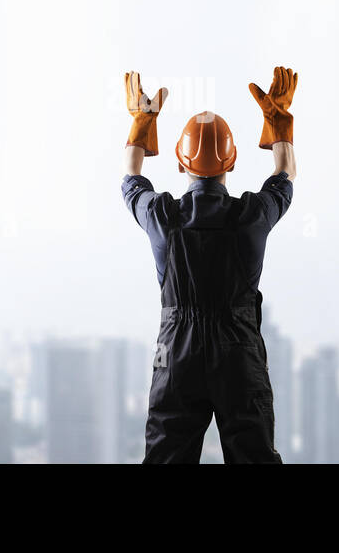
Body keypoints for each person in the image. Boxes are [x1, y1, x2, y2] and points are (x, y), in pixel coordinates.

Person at [120, 67, 298, 463]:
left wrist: (142, 122)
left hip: (175, 349)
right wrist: (279, 123)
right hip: (237, 350)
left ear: (181, 164)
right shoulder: (252, 216)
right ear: (231, 162)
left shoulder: (162, 216)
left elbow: (131, 176)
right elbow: (285, 174)